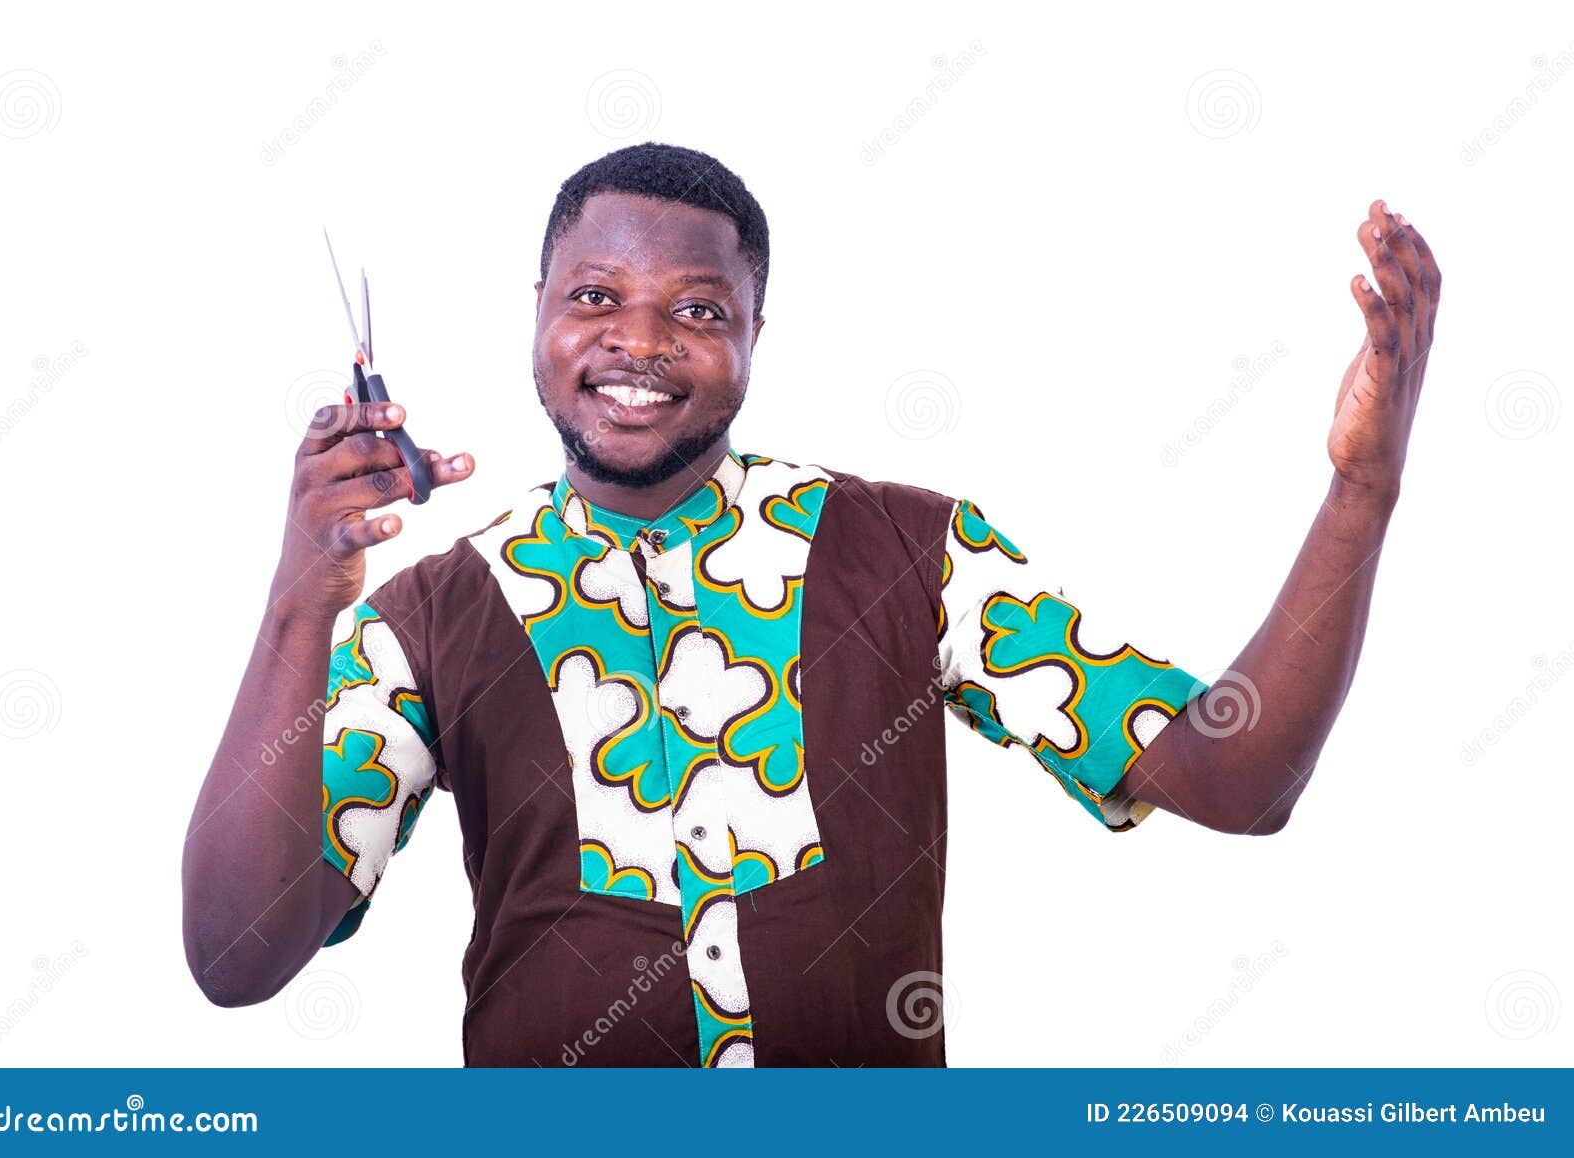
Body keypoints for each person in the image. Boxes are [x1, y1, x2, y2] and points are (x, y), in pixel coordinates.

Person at [181, 142, 1442, 1067]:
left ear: (754, 334)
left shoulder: (912, 549)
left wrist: (1361, 487)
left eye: (697, 311)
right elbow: (239, 958)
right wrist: (305, 599)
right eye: (593, 298)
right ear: (539, 314)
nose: (638, 341)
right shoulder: (429, 617)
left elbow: (1237, 784)